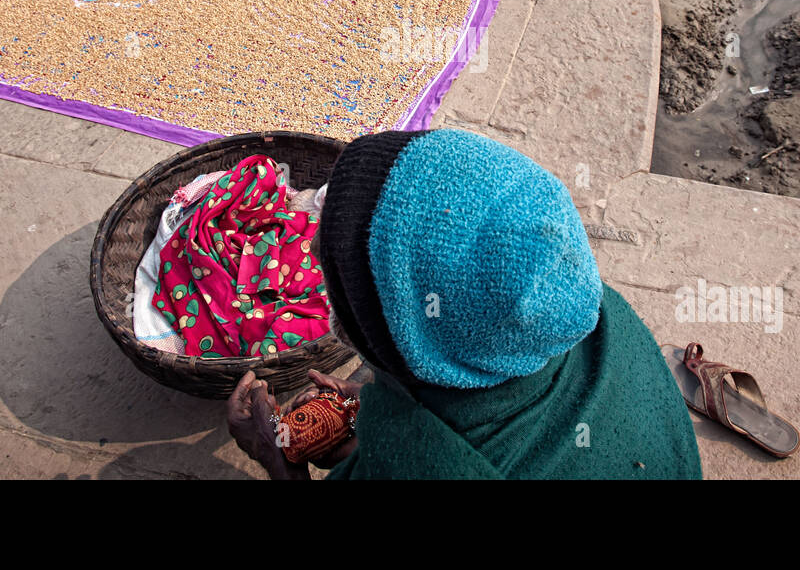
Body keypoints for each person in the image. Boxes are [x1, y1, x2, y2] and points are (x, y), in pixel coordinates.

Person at [226, 128, 703, 480]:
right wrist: (382, 400)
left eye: (327, 264)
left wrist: (276, 456)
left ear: (396, 343)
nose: (308, 254)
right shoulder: (601, 314)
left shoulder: (414, 465)